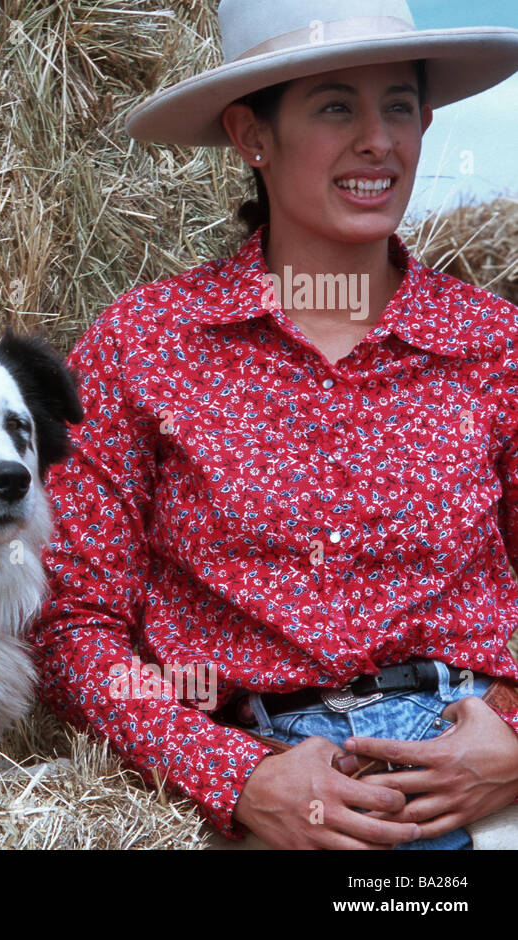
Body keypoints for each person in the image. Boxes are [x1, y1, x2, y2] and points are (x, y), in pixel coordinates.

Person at [31, 0, 518, 849]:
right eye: (336, 106)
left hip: (480, 780)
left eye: (398, 106)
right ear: (252, 136)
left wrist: (512, 743)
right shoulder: (144, 345)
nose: (378, 140)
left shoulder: (493, 346)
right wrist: (239, 777)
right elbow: (72, 627)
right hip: (261, 788)